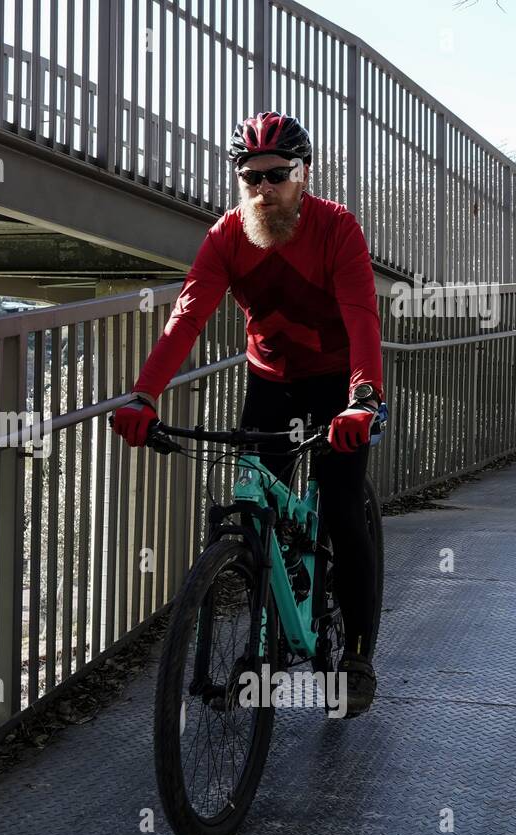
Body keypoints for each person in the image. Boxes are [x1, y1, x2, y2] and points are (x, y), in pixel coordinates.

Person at [110, 110, 384, 717]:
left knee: (342, 507)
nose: (263, 189)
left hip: (337, 381)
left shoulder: (336, 228)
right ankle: (261, 651)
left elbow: (363, 316)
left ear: (303, 175)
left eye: (277, 175)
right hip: (272, 382)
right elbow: (187, 317)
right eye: (250, 177)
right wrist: (144, 395)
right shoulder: (227, 236)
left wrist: (364, 399)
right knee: (256, 509)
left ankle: (357, 656)